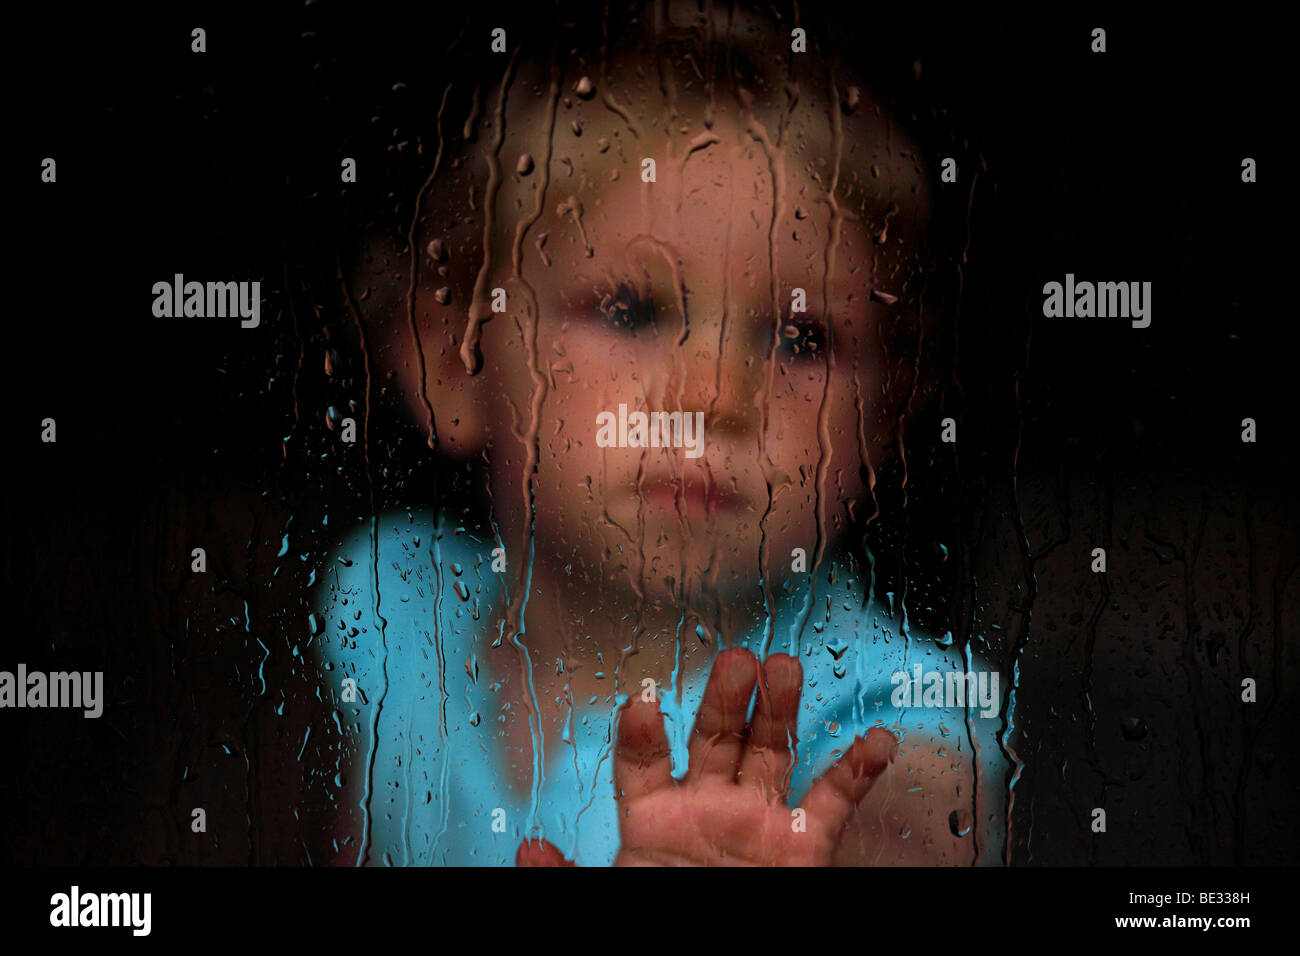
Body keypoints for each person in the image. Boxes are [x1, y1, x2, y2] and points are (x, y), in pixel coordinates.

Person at [313, 0, 1011, 866]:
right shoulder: (397, 607)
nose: (716, 395)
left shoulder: (887, 726)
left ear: (882, 420)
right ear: (454, 361)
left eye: (803, 340)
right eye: (631, 310)